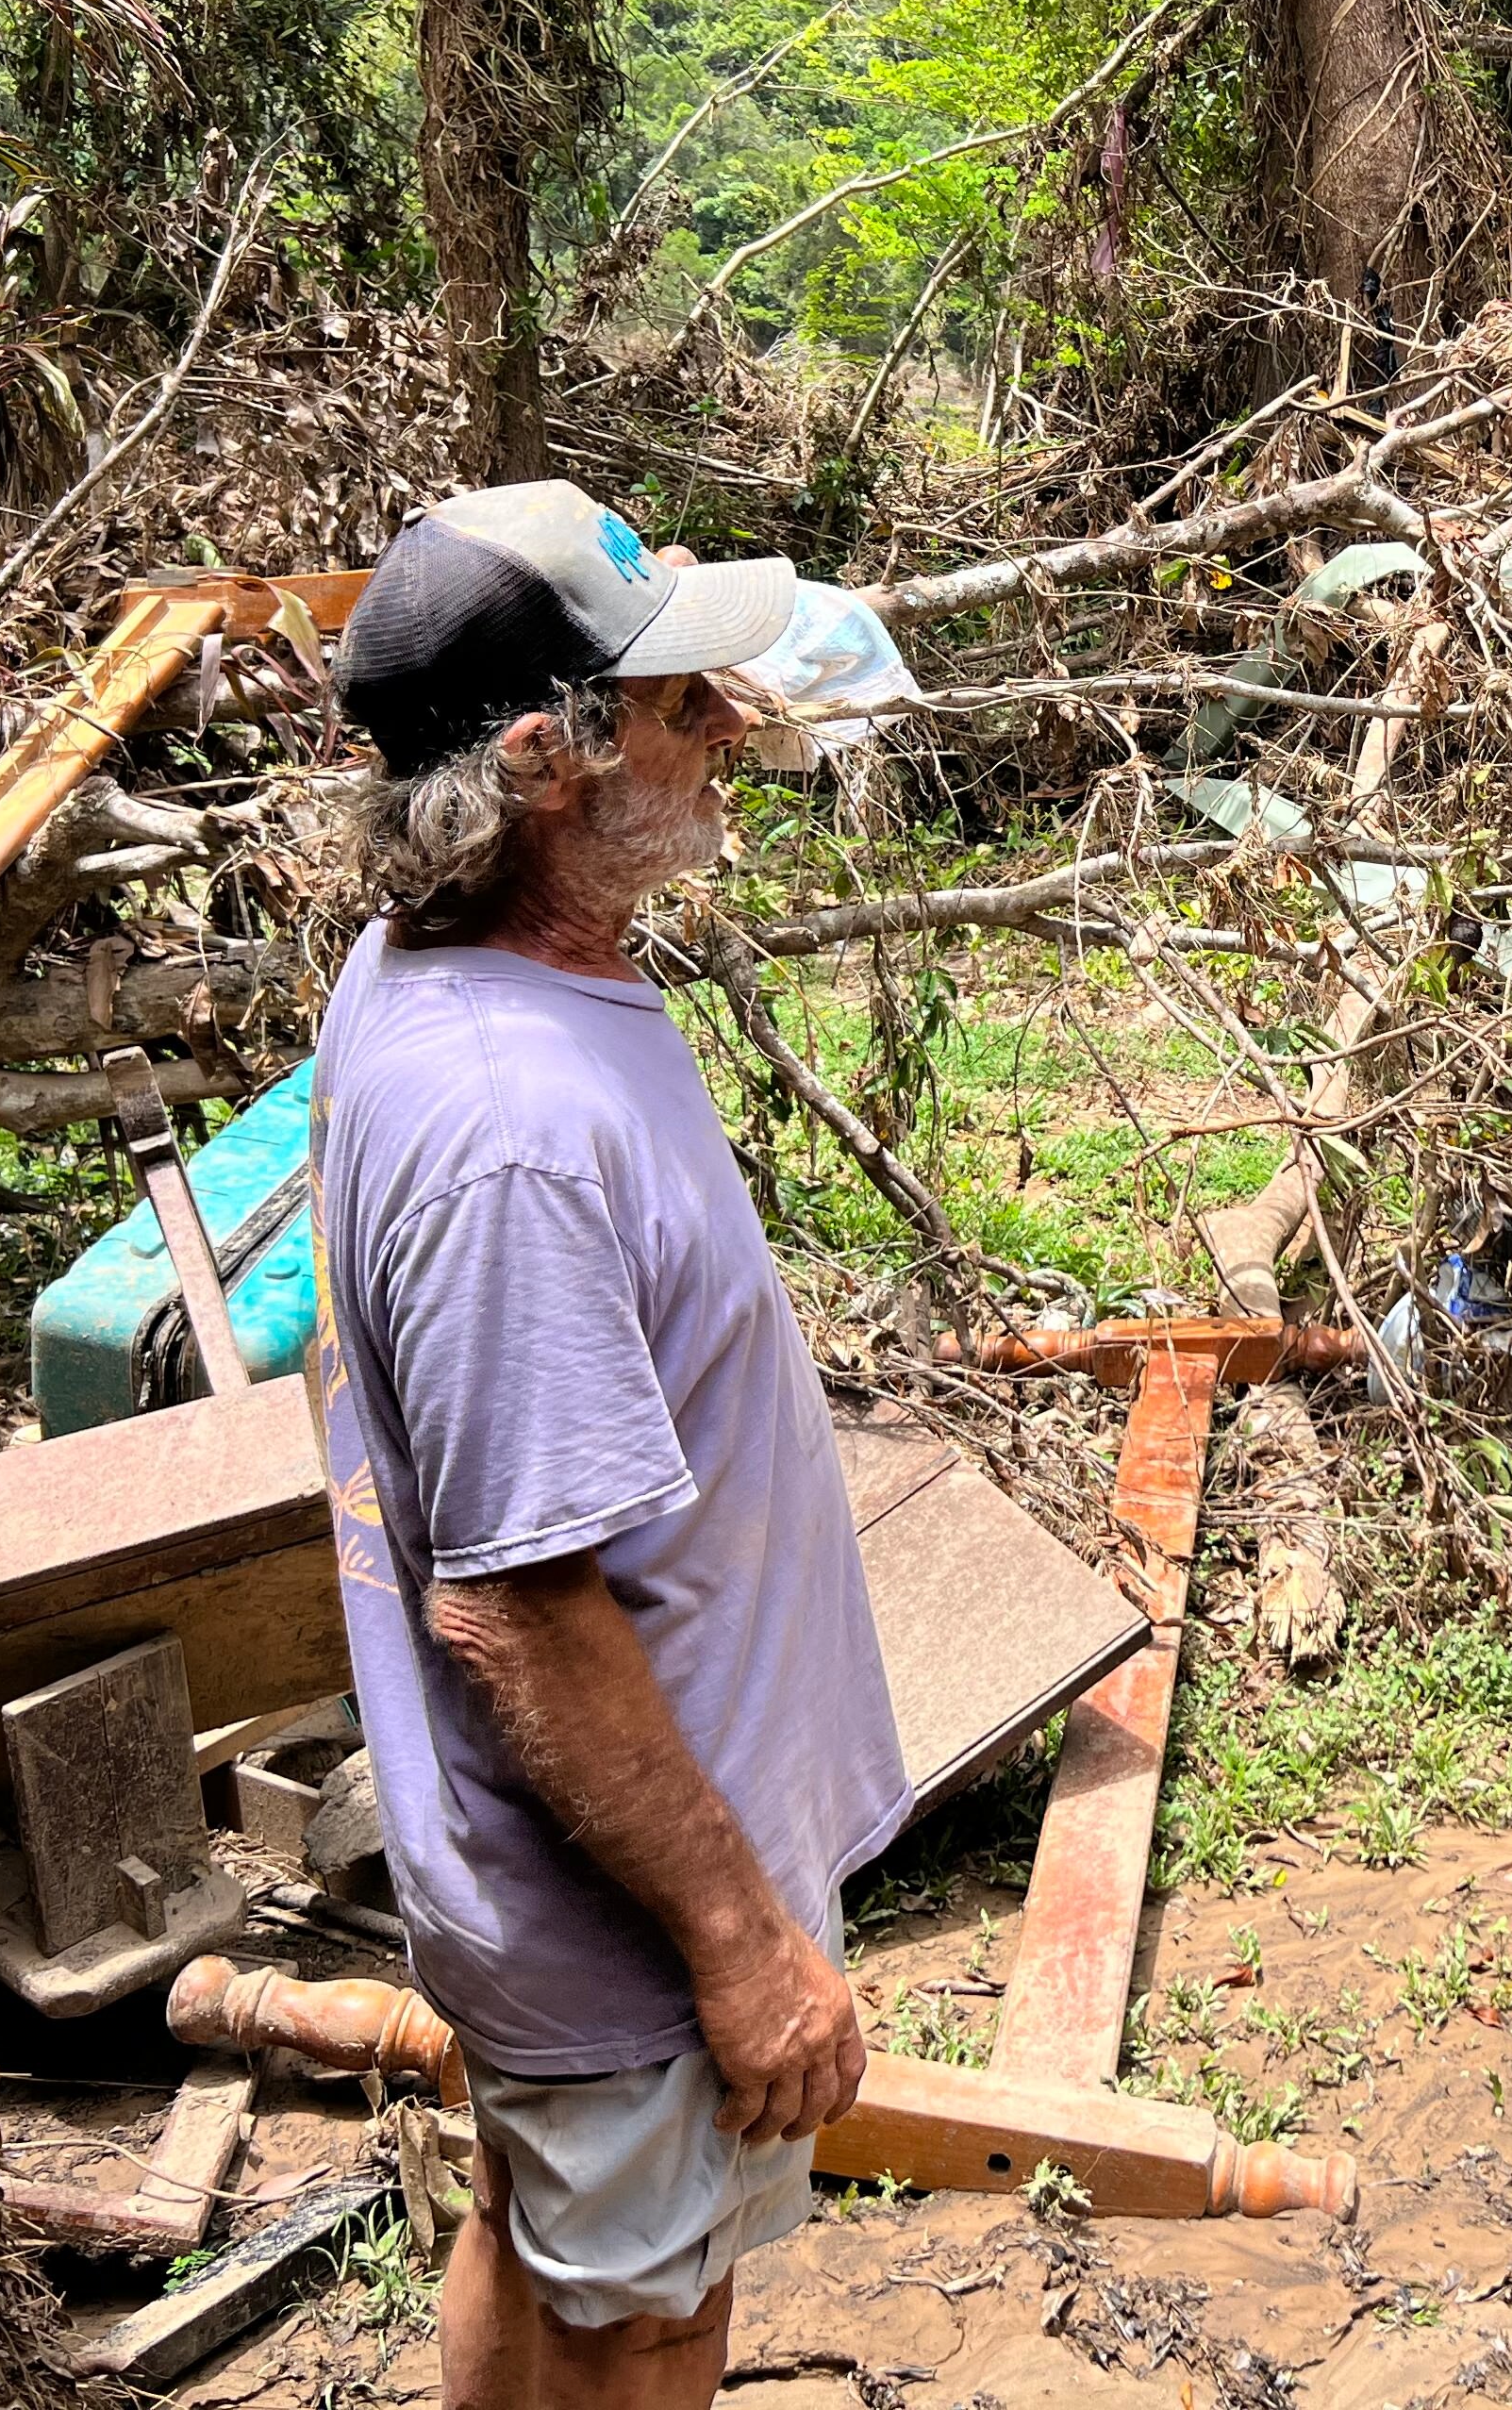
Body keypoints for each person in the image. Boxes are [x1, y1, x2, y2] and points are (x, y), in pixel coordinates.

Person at [308, 479, 910, 2410]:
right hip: (634, 1935)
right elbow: (521, 1608)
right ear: (542, 754)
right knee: (646, 2323)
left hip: (583, 1911)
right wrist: (740, 1948)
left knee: (551, 2254)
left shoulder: (465, 974)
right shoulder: (510, 1132)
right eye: (674, 703)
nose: (726, 726)